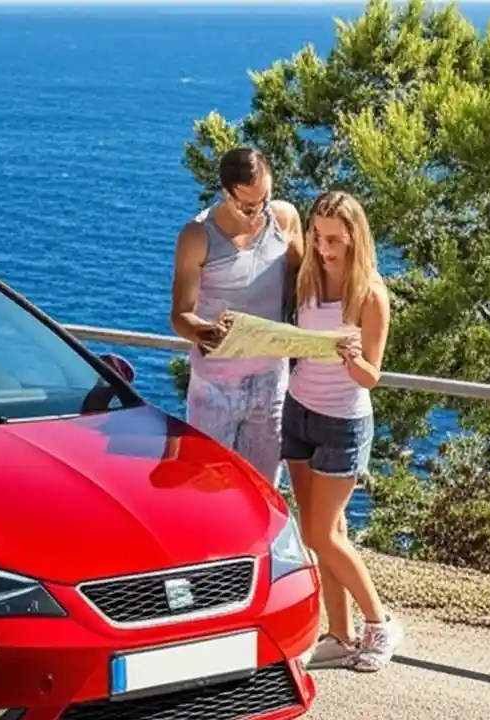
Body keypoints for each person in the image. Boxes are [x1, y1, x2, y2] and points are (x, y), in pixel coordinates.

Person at [284, 190, 404, 672]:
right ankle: (339, 634)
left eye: (333, 239)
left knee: (320, 532)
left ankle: (380, 623)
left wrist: (351, 359)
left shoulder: (370, 293)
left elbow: (372, 376)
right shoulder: (309, 276)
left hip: (343, 423)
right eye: (317, 236)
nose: (323, 248)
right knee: (324, 533)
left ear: (355, 237)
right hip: (298, 411)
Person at [170, 147, 304, 485]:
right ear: (226, 193)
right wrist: (212, 332)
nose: (258, 212)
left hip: (270, 381)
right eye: (247, 206)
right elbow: (181, 316)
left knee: (263, 487)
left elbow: (301, 279)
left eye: (265, 199)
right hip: (215, 385)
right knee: (204, 484)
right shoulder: (198, 236)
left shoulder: (284, 219)